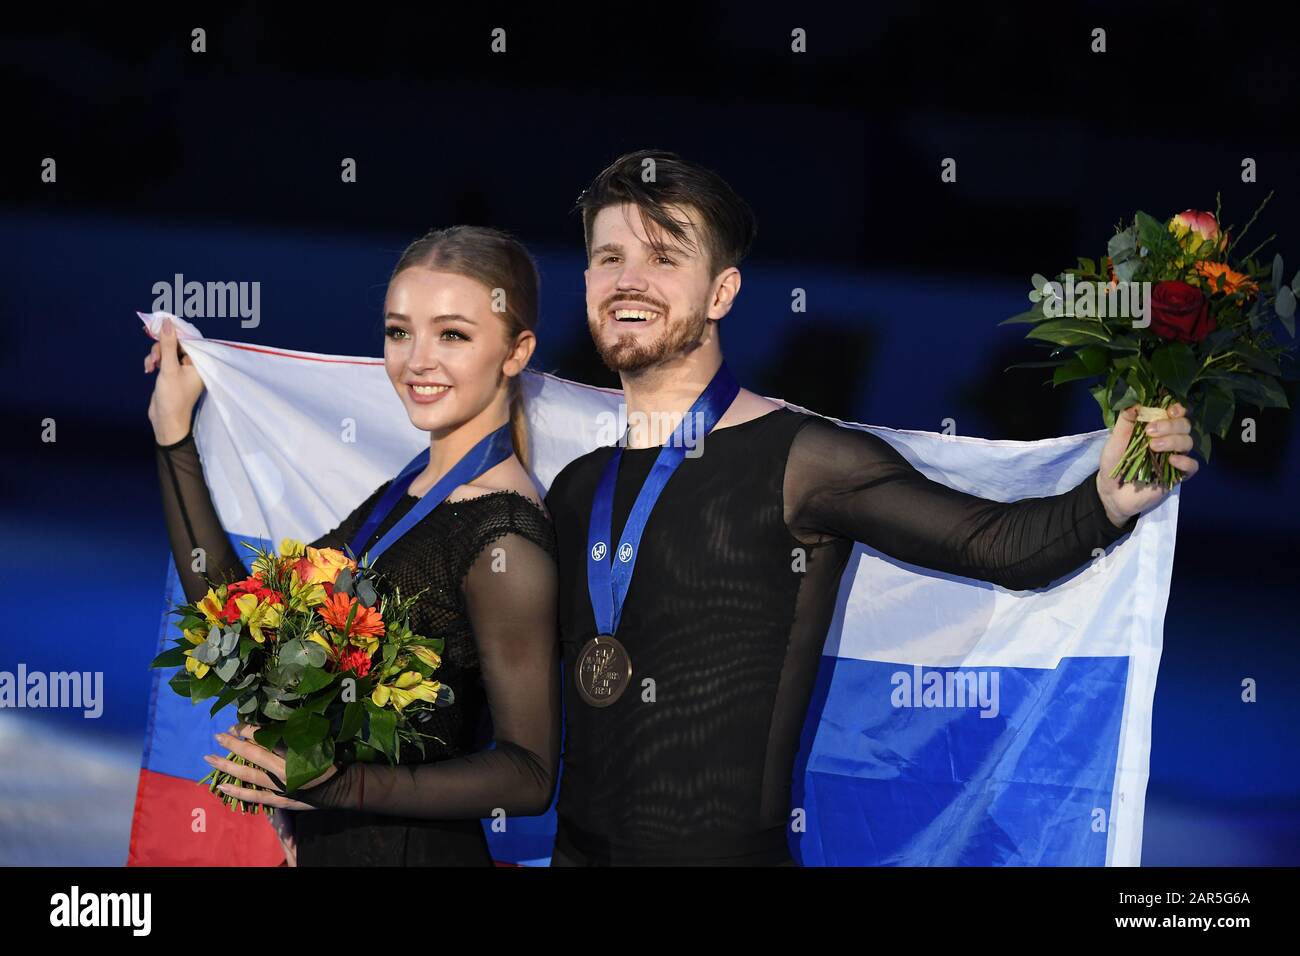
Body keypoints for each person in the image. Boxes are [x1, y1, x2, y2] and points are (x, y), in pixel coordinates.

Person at [543, 150, 1200, 866]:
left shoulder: (805, 462)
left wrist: (1107, 500)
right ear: (586, 282)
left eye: (663, 258)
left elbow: (999, 547)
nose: (628, 280)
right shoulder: (578, 487)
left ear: (721, 292)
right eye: (609, 257)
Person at [145, 225, 561, 866]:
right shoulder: (407, 492)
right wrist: (174, 434)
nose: (417, 359)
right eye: (400, 331)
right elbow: (237, 620)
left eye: (452, 334)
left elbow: (529, 776)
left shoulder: (501, 534)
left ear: (515, 350)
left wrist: (338, 785)